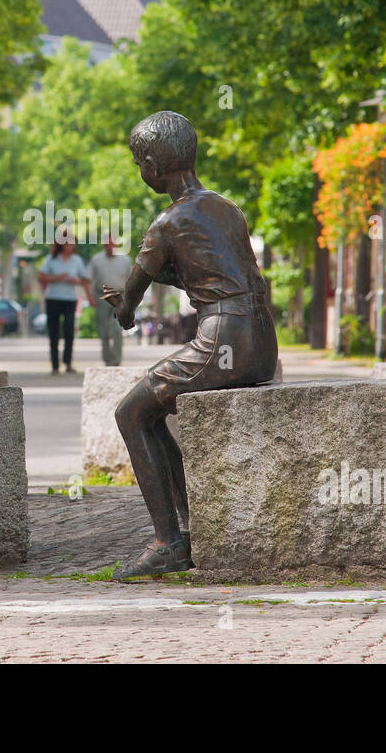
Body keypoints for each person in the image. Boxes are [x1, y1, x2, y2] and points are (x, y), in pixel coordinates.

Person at [102, 111, 277, 579]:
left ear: (154, 165)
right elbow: (216, 277)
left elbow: (128, 304)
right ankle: (187, 524)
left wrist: (123, 306)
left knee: (130, 412)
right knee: (150, 412)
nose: (141, 172)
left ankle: (167, 543)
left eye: (140, 162)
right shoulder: (225, 208)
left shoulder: (167, 223)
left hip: (224, 340)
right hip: (262, 340)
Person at [37, 231, 94, 374]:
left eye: (73, 242)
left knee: (69, 330)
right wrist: (57, 278)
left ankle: (68, 363)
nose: (71, 245)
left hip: (70, 299)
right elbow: (41, 277)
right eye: (68, 242)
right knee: (54, 332)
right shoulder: (51, 259)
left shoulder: (77, 260)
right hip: (53, 299)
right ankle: (55, 365)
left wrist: (77, 282)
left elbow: (84, 280)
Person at [87, 233, 133, 366]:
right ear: (103, 245)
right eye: (107, 244)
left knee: (117, 328)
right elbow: (87, 278)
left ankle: (116, 359)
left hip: (119, 296)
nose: (109, 246)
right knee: (104, 330)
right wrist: (90, 297)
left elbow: (132, 280)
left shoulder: (125, 260)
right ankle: (107, 359)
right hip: (101, 295)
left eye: (112, 243)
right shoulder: (96, 260)